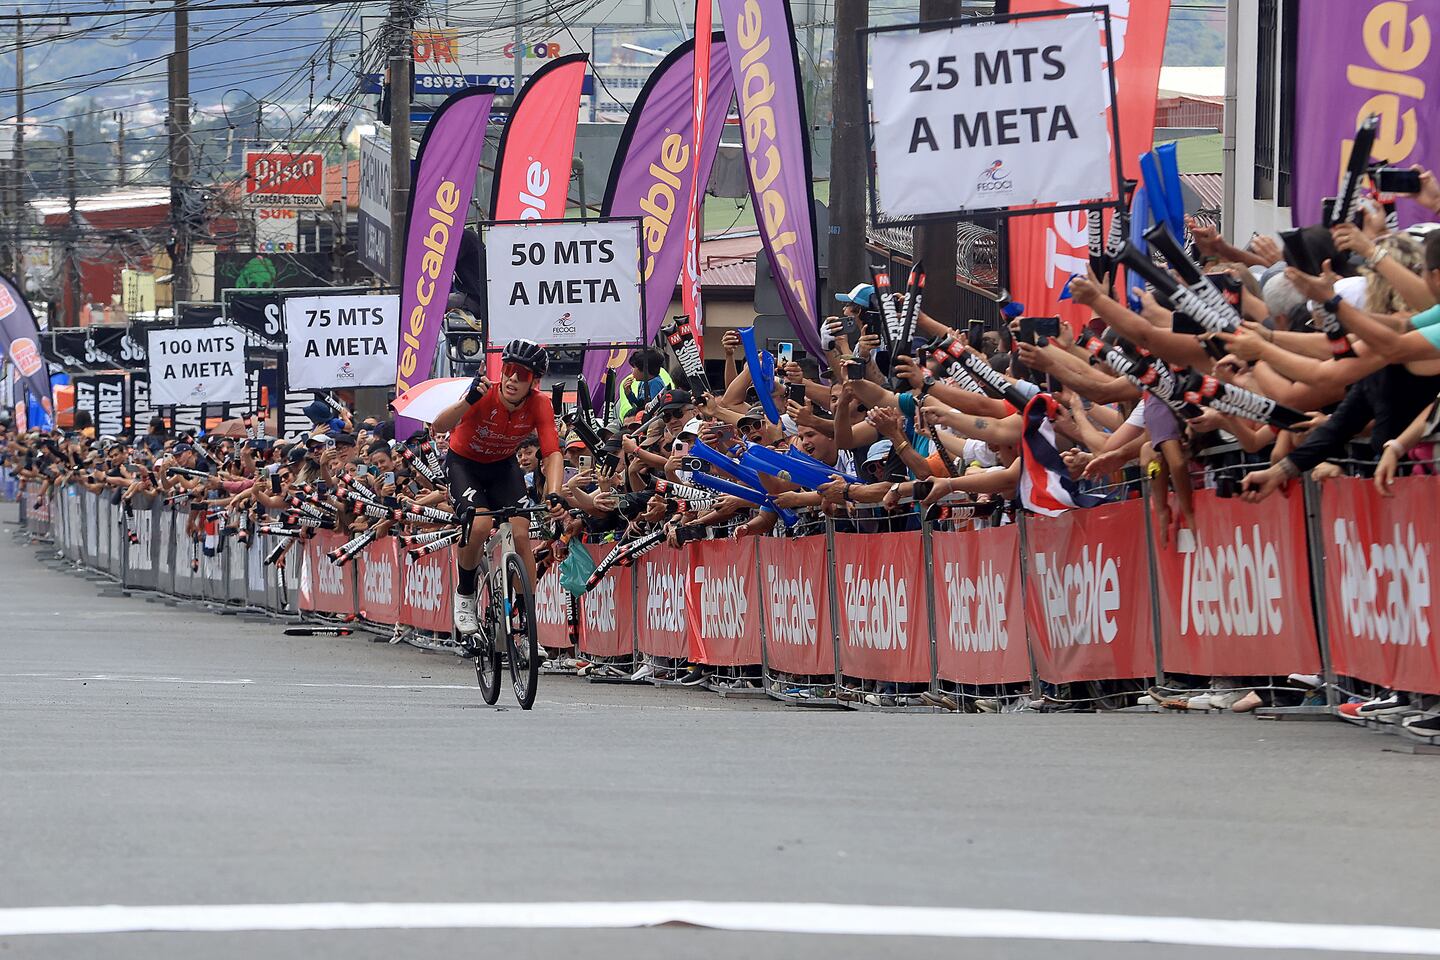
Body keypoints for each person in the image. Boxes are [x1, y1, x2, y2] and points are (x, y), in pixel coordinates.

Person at [431, 339, 563, 636]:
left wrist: (555, 492)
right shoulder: (482, 393)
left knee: (521, 533)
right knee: (480, 525)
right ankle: (465, 594)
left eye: (522, 374)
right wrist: (467, 402)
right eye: (508, 369)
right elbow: (439, 426)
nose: (513, 378)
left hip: (502, 466)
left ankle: (527, 624)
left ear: (534, 381)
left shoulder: (540, 404)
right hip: (464, 465)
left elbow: (552, 452)